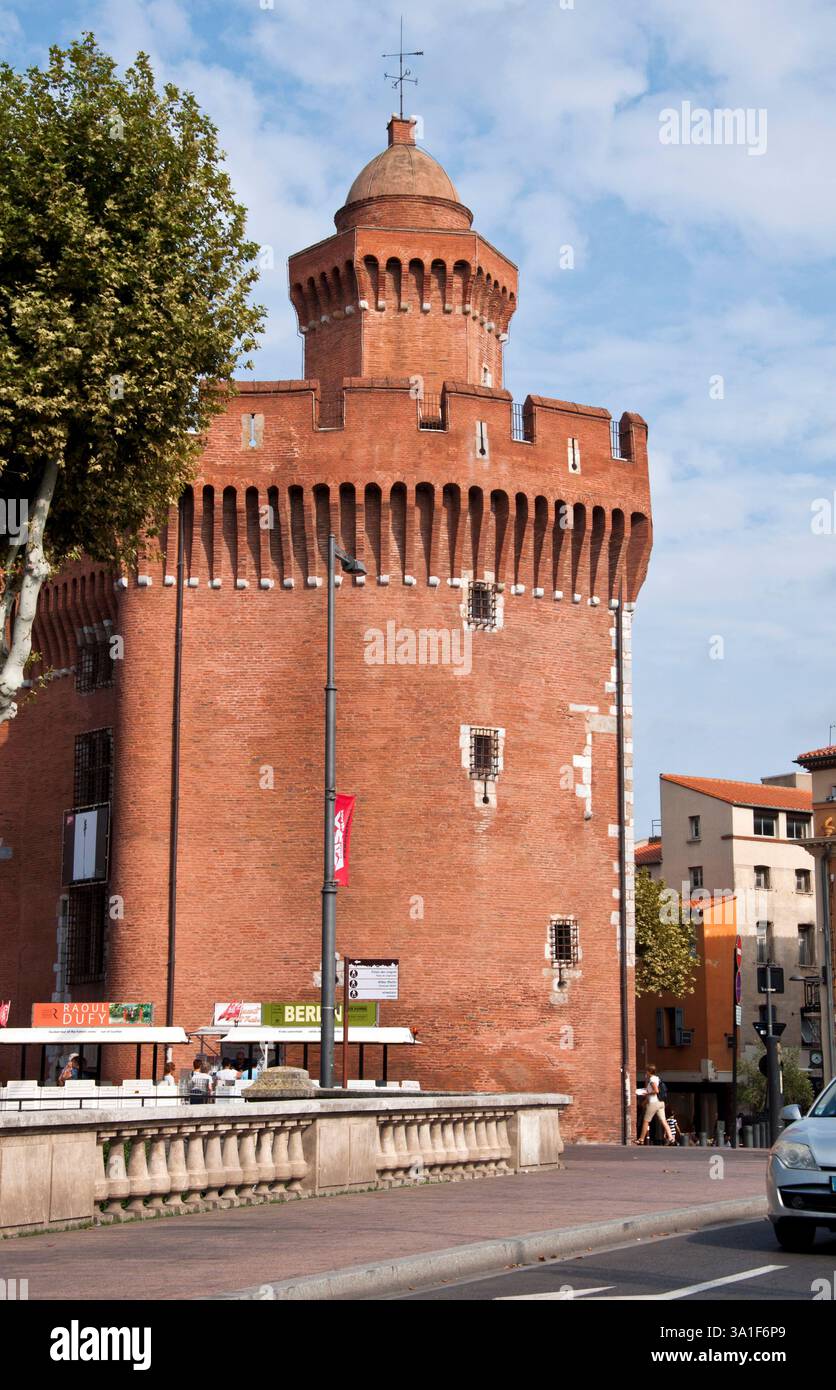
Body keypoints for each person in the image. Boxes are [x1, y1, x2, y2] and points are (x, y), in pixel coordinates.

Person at [636, 1064, 673, 1144]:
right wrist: (644, 1102)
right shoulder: (657, 1078)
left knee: (646, 1121)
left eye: (646, 1071)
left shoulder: (652, 1079)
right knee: (663, 1121)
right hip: (661, 1103)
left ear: (649, 1071)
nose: (645, 1072)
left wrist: (646, 1093)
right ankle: (671, 1138)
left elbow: (656, 1091)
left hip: (653, 1103)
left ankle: (641, 1139)